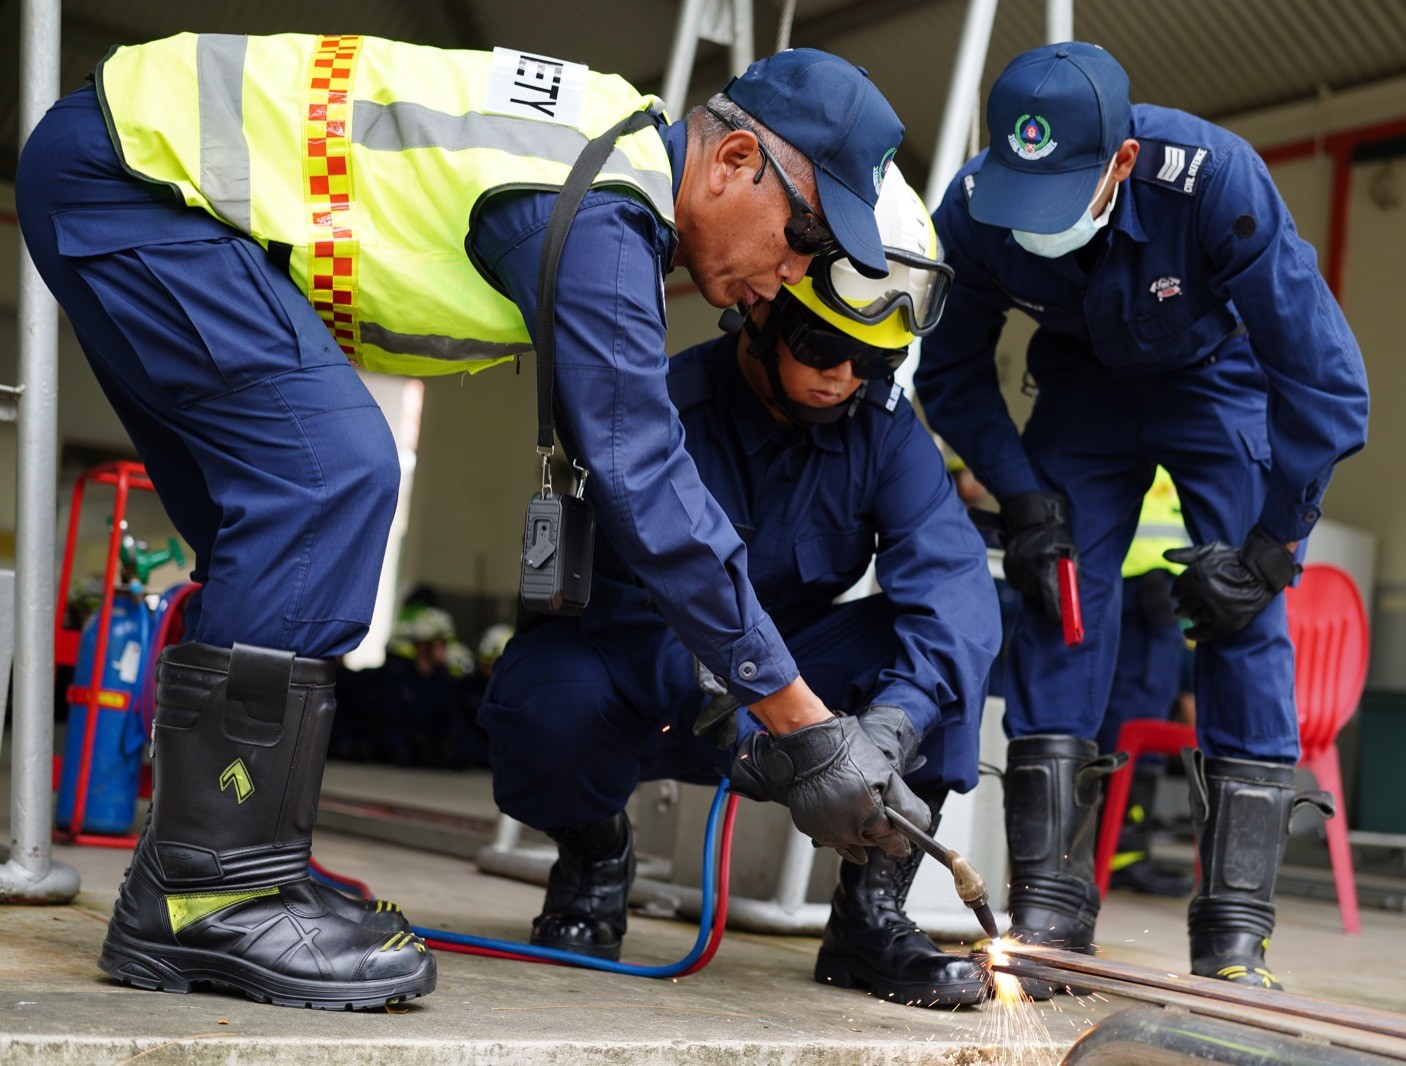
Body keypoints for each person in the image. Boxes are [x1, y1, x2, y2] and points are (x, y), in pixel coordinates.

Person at [17, 34, 924, 1009]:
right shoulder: (601, 211)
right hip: (137, 178)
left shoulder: (610, 153)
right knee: (332, 476)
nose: (792, 274)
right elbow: (645, 477)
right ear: (735, 161)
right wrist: (803, 725)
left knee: (274, 540)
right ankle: (214, 893)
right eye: (803, 235)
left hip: (127, 166)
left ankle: (222, 873)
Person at [479, 168, 1001, 1008]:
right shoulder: (661, 412)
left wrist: (891, 730)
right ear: (762, 315)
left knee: (943, 654)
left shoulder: (884, 434)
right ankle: (594, 858)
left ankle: (868, 920)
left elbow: (954, 588)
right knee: (546, 698)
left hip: (793, 686)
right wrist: (756, 731)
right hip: (646, 677)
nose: (844, 376)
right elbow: (630, 612)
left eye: (875, 360)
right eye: (823, 348)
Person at [914, 42, 1368, 993]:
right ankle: (1050, 913)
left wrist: (1275, 547)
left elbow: (1324, 383)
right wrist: (1021, 495)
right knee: (1060, 597)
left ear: (1121, 163)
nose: (1033, 221)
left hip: (1216, 375)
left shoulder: (1214, 184)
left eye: (1058, 198)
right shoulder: (977, 204)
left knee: (1244, 616)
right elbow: (950, 370)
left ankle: (1235, 937)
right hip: (1082, 388)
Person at [1096, 466, 1193, 897]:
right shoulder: (1170, 443)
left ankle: (1122, 846)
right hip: (1146, 584)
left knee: (1137, 711)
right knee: (1137, 717)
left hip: (1147, 583)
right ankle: (1124, 851)